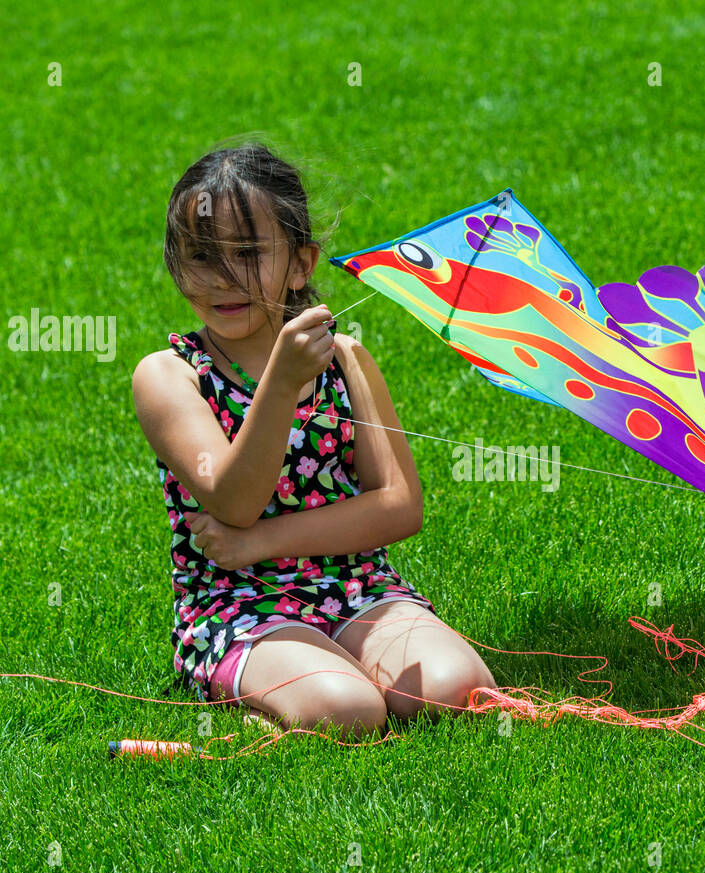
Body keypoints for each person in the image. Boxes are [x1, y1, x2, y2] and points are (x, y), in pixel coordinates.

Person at [131, 141, 493, 740]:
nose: (222, 277)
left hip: (358, 588)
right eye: (200, 255)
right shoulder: (170, 376)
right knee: (350, 712)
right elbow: (233, 499)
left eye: (247, 253)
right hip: (239, 608)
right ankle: (266, 692)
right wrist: (281, 382)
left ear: (301, 264)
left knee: (458, 691)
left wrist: (259, 542)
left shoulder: (345, 360)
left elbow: (400, 506)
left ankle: (331, 669)